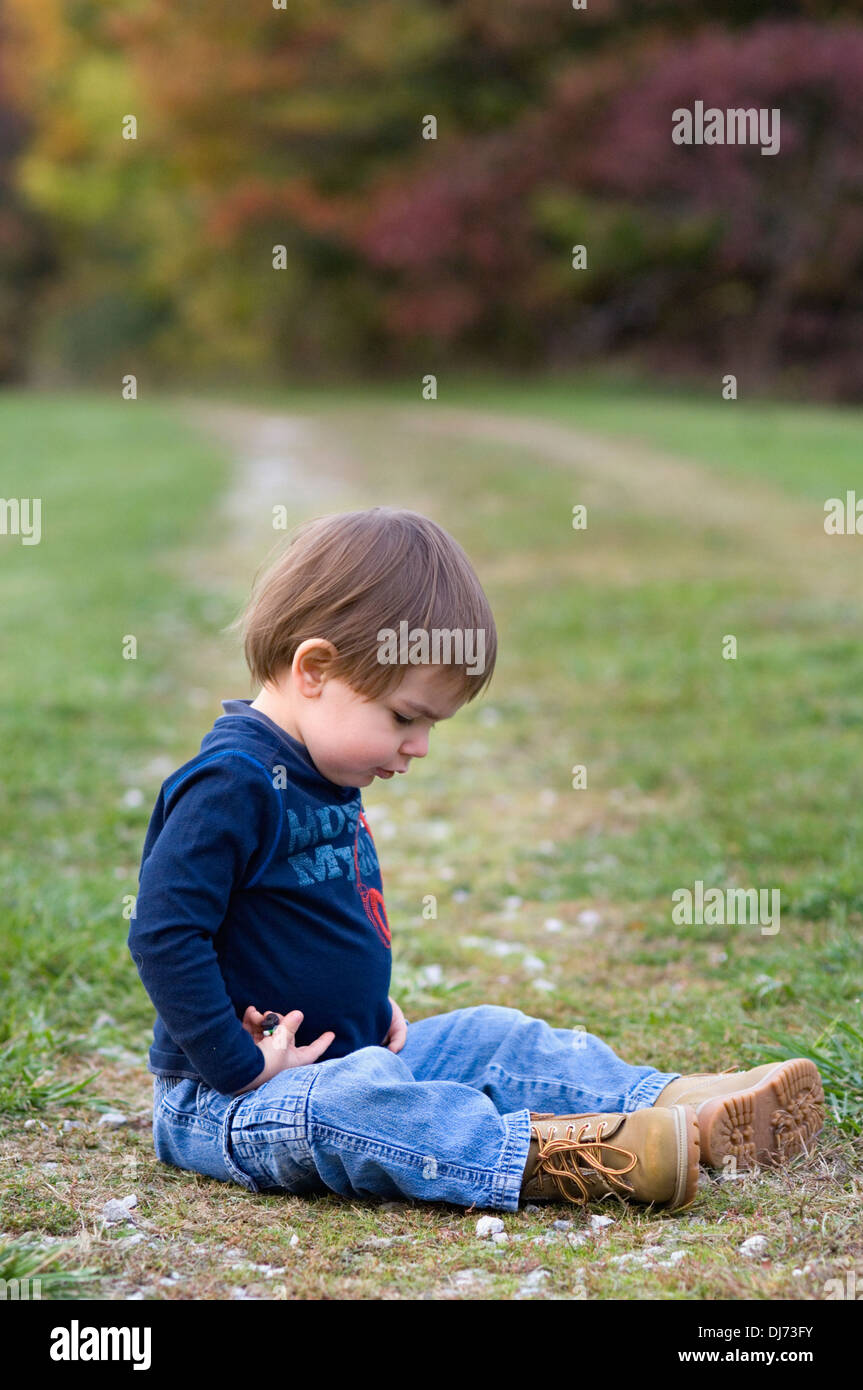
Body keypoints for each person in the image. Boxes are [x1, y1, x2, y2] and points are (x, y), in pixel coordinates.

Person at [129, 506, 824, 1214]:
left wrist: (361, 1006)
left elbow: (299, 922)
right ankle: (557, 1156)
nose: (419, 746)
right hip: (226, 1104)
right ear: (314, 669)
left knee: (495, 1036)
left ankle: (678, 1104)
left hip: (353, 1052)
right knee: (354, 1106)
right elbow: (162, 934)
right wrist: (238, 1066)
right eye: (404, 717)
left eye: (430, 725)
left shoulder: (323, 770)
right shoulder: (232, 783)